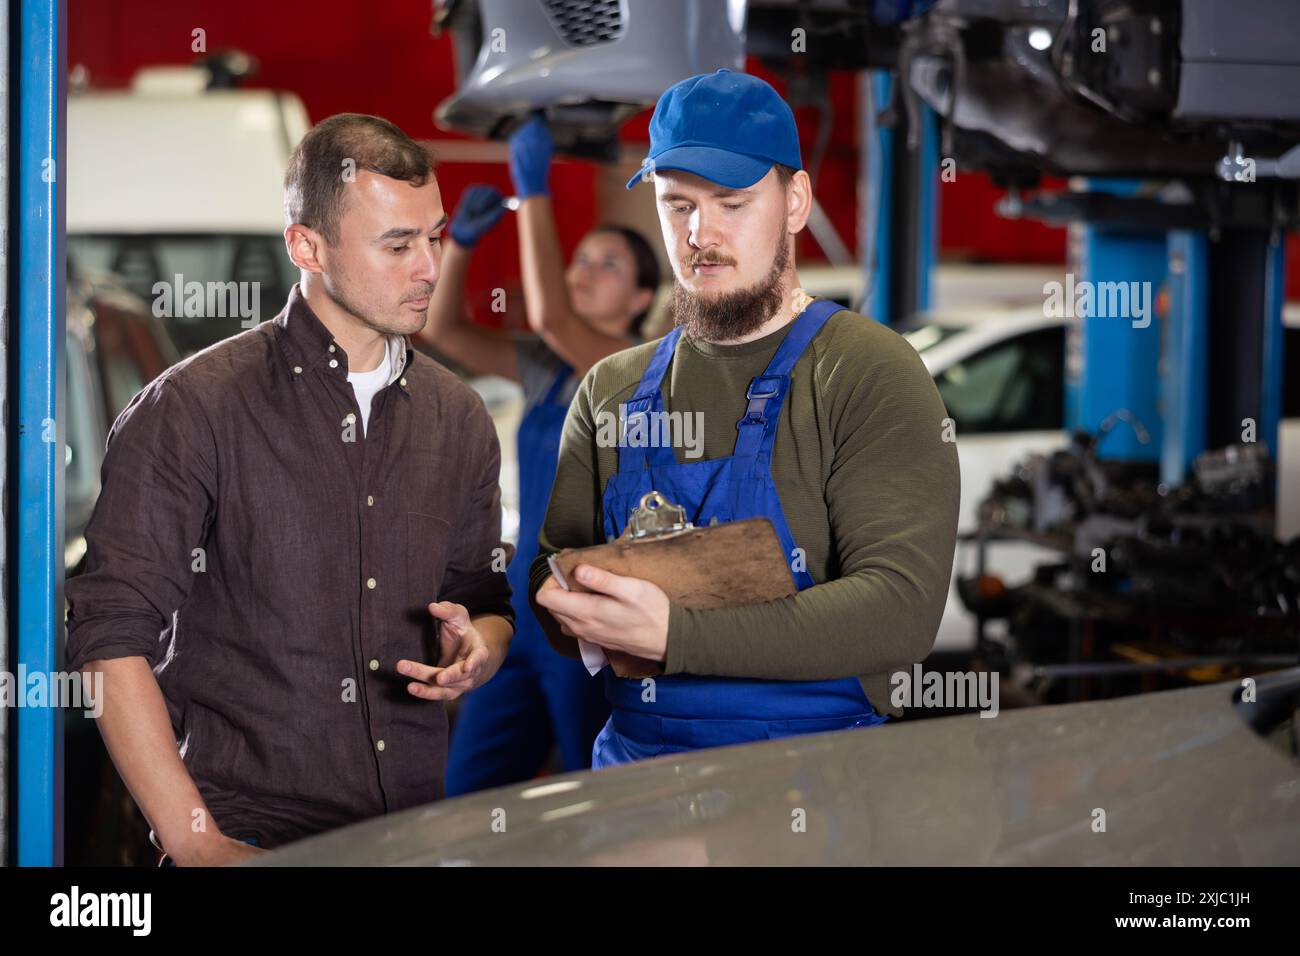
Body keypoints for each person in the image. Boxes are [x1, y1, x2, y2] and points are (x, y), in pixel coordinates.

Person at [66, 113, 515, 863]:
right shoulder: (194, 408)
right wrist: (196, 841)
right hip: (249, 834)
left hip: (408, 833)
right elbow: (110, 635)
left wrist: (479, 648)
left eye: (433, 236)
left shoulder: (459, 418)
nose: (429, 267)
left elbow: (483, 597)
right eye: (397, 245)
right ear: (307, 246)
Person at [529, 69, 961, 766]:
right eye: (678, 206)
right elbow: (553, 566)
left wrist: (676, 635)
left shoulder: (864, 370)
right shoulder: (610, 389)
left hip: (814, 786)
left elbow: (899, 611)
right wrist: (576, 607)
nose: (702, 234)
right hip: (637, 774)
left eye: (732, 202)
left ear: (795, 201)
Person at [418, 117, 661, 793]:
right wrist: (458, 243)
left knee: (595, 789)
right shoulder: (546, 368)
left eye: (607, 265)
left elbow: (553, 315)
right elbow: (441, 327)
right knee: (469, 792)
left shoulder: (631, 371)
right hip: (522, 613)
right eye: (580, 258)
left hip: (589, 617)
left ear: (643, 298)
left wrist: (537, 190)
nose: (585, 271)